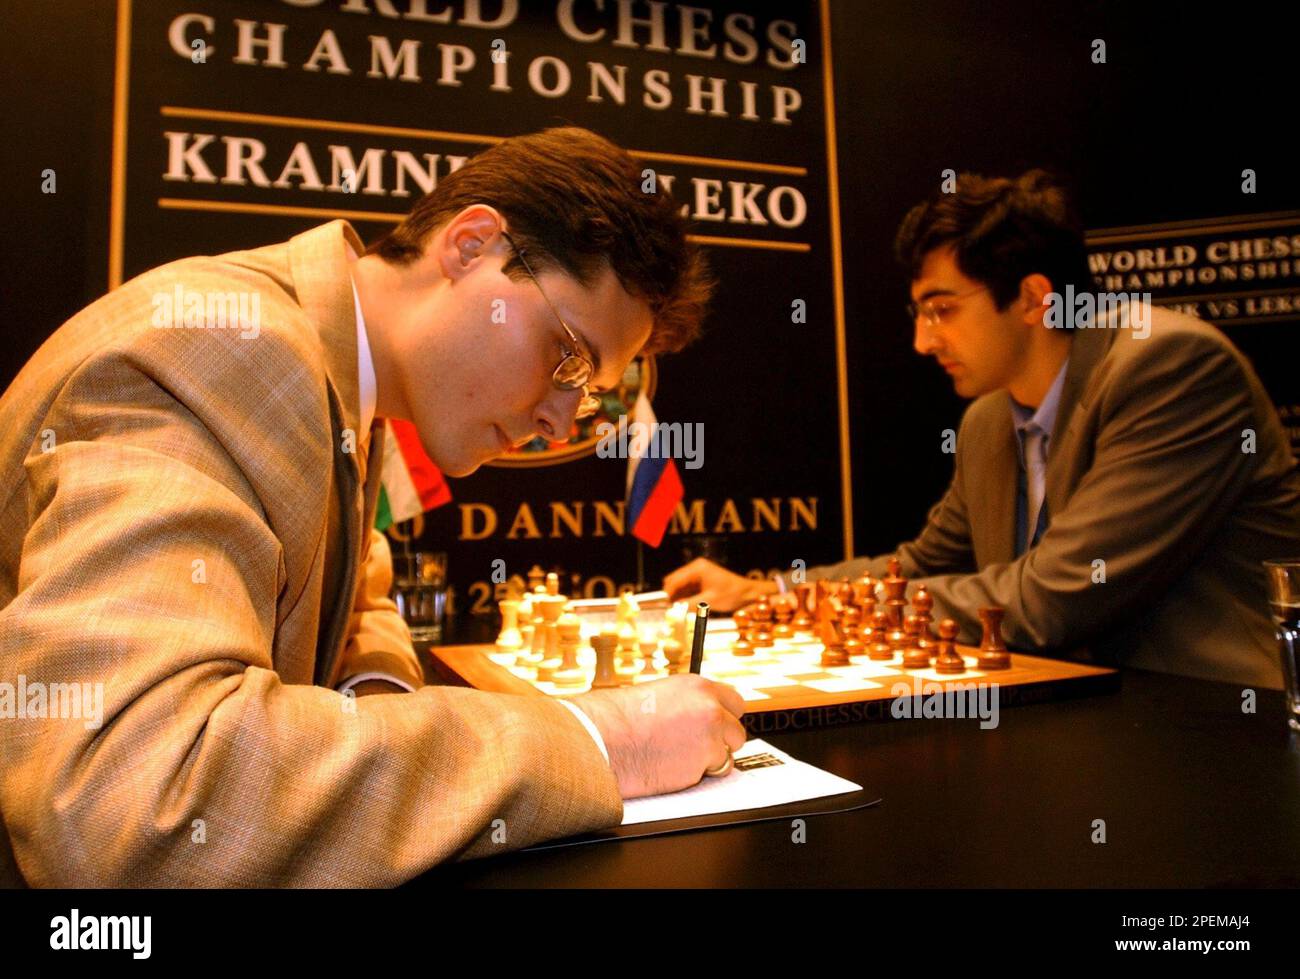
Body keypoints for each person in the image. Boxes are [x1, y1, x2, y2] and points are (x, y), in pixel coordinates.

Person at [0, 127, 745, 887]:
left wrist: (375, 692)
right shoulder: (223, 348)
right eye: (567, 356)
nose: (560, 418)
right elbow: (128, 802)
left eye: (587, 392)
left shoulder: (340, 374)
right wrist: (602, 739)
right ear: (473, 243)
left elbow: (355, 595)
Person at [666, 170, 1300, 690]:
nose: (922, 341)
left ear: (1031, 298)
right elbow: (914, 568)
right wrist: (768, 591)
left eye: (943, 310)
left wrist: (827, 608)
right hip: (1065, 711)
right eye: (918, 314)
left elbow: (1054, 599)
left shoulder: (1170, 368)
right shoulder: (988, 420)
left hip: (1210, 724)